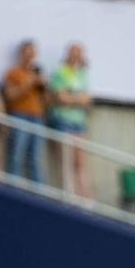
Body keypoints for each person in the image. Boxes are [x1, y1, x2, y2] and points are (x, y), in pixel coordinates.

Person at [47, 43, 93, 200]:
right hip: (63, 120)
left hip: (79, 122)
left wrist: (72, 97)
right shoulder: (59, 72)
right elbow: (62, 98)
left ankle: (86, 200)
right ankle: (69, 197)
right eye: (72, 53)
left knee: (79, 164)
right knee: (65, 161)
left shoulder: (81, 74)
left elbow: (86, 99)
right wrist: (77, 98)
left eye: (78, 53)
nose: (75, 57)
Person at [3, 42, 48, 184]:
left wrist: (44, 86)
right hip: (19, 115)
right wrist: (27, 82)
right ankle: (12, 191)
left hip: (37, 117)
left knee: (34, 159)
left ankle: (38, 196)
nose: (29, 55)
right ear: (21, 53)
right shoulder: (13, 72)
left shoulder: (37, 73)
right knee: (16, 155)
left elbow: (46, 101)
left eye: (32, 52)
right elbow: (10, 95)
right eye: (26, 51)